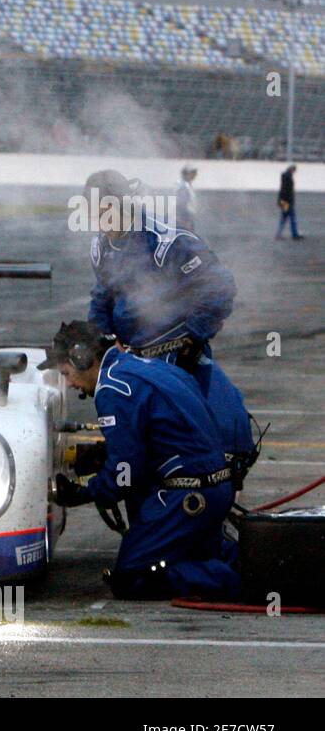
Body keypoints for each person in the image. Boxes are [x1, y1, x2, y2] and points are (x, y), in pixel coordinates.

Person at [81, 169, 256, 489]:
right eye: (93, 212)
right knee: (139, 455)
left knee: (191, 449)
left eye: (104, 210)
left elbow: (220, 288)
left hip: (179, 362)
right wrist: (103, 342)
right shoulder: (101, 248)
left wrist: (192, 337)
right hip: (132, 367)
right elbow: (101, 298)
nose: (98, 220)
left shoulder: (169, 242)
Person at [43, 322, 239, 600]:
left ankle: (244, 581)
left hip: (186, 496)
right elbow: (161, 436)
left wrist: (85, 492)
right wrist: (103, 456)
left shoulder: (113, 388)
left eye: (67, 373)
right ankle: (255, 565)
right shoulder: (146, 366)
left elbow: (126, 472)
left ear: (83, 358)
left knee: (133, 578)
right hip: (214, 490)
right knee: (211, 553)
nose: (70, 384)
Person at [276, 164, 302, 240]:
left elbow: (283, 191)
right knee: (292, 218)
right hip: (287, 202)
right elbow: (287, 191)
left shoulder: (285, 177)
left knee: (284, 219)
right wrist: (290, 202)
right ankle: (294, 234)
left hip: (284, 201)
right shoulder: (288, 178)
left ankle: (279, 234)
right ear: (292, 170)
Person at [175, 164, 197, 232]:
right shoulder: (183, 186)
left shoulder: (186, 186)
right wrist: (186, 221)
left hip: (187, 218)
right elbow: (182, 204)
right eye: (192, 173)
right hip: (185, 218)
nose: (194, 176)